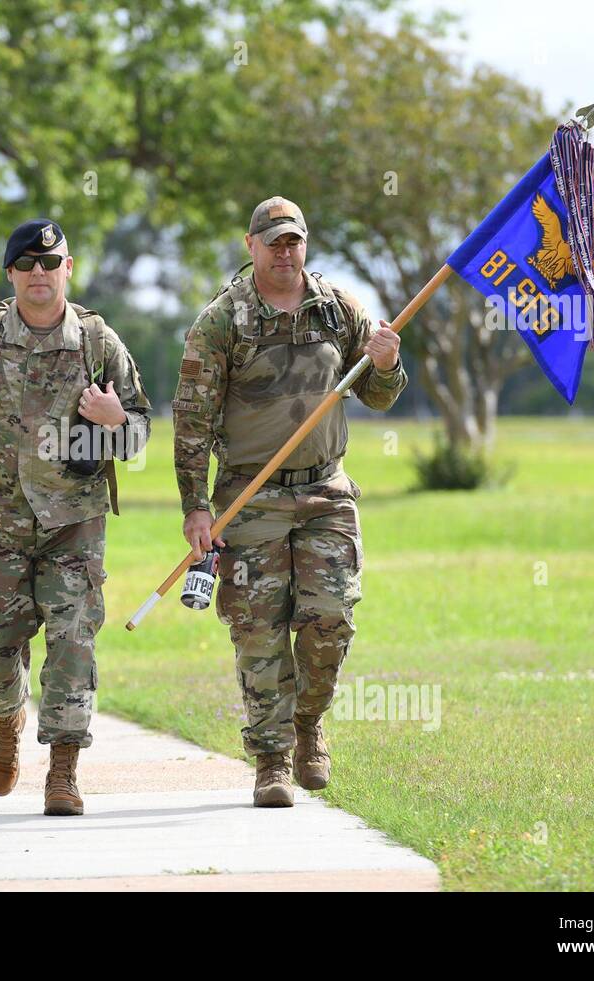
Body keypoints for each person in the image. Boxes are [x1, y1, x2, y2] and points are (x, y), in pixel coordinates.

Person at [0, 218, 152, 816]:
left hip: (75, 522)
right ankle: (6, 718)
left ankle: (63, 769)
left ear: (69, 268)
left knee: (73, 640)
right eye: (27, 265)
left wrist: (117, 420)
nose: (39, 274)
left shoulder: (98, 342)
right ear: (11, 274)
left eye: (51, 263)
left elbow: (140, 433)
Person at [172, 196, 407, 806]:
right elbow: (192, 420)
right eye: (272, 241)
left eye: (293, 241)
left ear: (305, 245)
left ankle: (308, 723)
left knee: (330, 620)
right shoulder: (221, 321)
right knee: (259, 632)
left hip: (326, 490)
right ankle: (271, 761)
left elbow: (378, 396)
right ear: (251, 246)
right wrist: (196, 506)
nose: (284, 251)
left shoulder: (338, 311)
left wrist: (386, 363)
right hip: (250, 497)